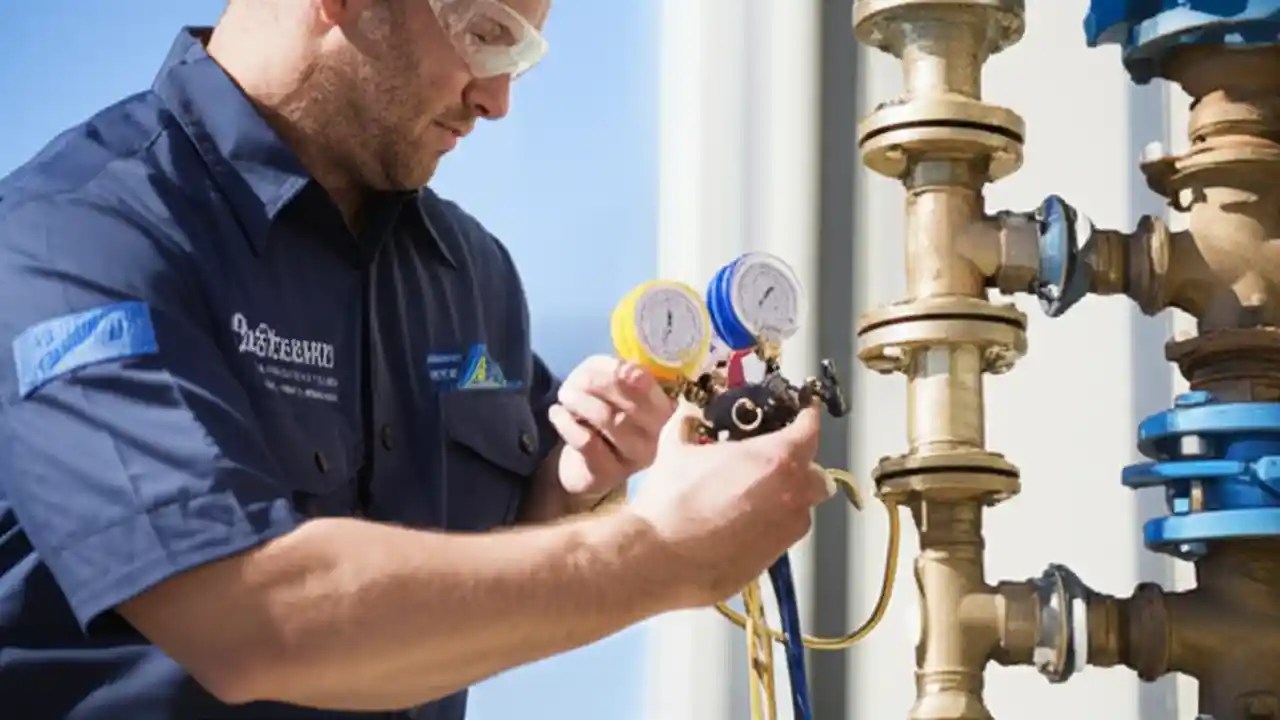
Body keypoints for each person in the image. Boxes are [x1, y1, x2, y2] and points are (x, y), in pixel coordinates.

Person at [0, 1, 834, 718]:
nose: (499, 98)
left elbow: (488, 568)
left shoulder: (469, 275)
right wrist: (662, 556)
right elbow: (251, 623)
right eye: (485, 33)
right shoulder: (76, 240)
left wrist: (572, 488)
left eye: (523, 52)